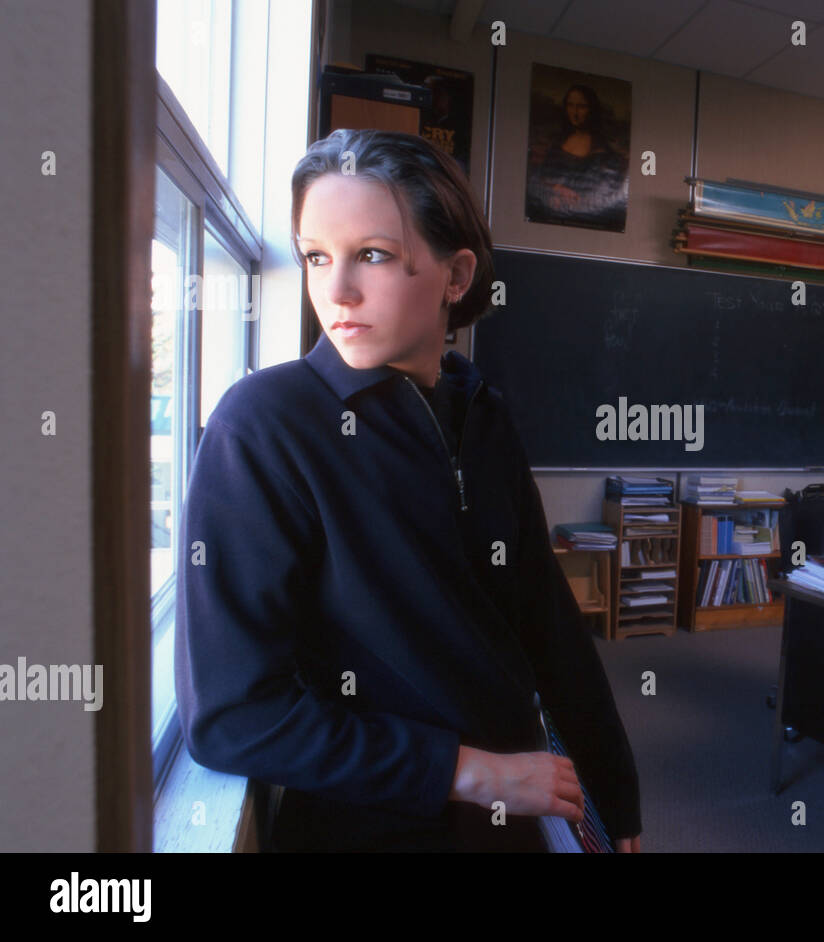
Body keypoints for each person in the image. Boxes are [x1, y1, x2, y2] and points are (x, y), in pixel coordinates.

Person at [175, 128, 641, 852]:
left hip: (519, 808)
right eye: (316, 257)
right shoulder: (264, 426)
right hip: (374, 819)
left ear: (456, 277)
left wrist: (616, 799)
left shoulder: (484, 412)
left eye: (373, 255)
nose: (336, 291)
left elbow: (550, 626)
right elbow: (232, 716)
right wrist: (464, 771)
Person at [525, 84, 627, 228]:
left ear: (592, 110)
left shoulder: (603, 153)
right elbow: (536, 179)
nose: (575, 112)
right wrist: (554, 189)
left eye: (582, 106)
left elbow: (602, 198)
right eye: (570, 105)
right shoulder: (556, 142)